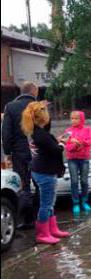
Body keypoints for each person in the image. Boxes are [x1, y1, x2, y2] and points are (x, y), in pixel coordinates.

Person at [21, 101, 71, 244]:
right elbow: (55, 150)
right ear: (43, 116)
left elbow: (48, 145)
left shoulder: (37, 132)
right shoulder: (41, 135)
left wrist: (57, 141)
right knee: (46, 204)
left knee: (50, 202)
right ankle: (43, 234)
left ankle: (52, 229)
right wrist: (62, 144)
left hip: (41, 170)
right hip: (45, 173)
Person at [2, 82, 42, 228]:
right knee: (39, 184)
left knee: (23, 185)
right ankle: (39, 216)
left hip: (19, 152)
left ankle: (26, 218)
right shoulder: (39, 106)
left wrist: (7, 152)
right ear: (35, 92)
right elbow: (45, 129)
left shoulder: (10, 107)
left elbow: (6, 133)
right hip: (38, 151)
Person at [63, 110, 91, 215]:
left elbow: (90, 140)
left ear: (81, 119)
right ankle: (75, 202)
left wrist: (80, 142)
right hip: (72, 159)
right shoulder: (68, 131)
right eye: (72, 118)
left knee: (84, 181)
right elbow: (66, 146)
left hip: (84, 159)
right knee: (74, 181)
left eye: (76, 118)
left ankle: (84, 201)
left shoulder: (87, 129)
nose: (73, 120)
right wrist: (74, 146)